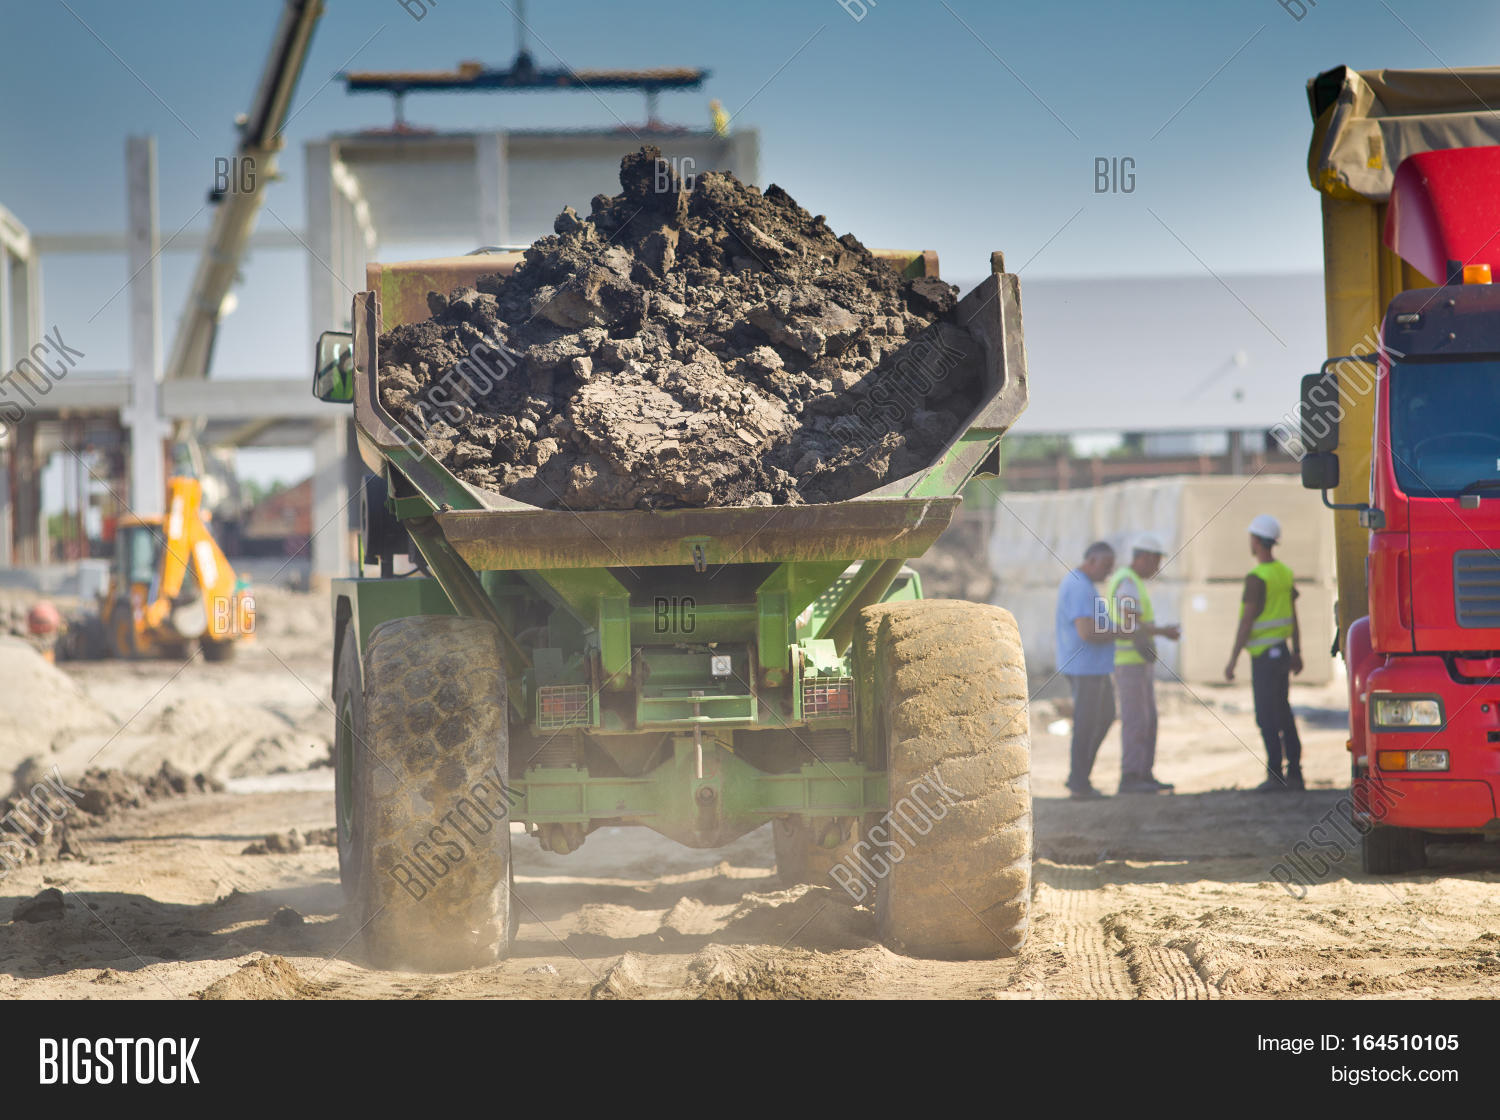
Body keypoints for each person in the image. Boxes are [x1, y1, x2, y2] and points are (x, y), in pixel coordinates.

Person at [1224, 514, 1305, 792]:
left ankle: (1275, 774)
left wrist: (1233, 659)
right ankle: (1294, 772)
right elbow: (1294, 617)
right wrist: (1297, 651)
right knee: (1283, 710)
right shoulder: (1284, 572)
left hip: (1264, 659)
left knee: (1267, 715)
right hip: (1281, 653)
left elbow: (1246, 622)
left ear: (1256, 541)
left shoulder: (1257, 577)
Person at [1107, 533, 1181, 794]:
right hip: (1129, 663)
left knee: (1147, 720)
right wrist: (1163, 632)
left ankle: (1144, 774)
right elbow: (1132, 625)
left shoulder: (1133, 582)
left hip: (1138, 661)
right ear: (1145, 558)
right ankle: (1131, 777)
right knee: (1136, 721)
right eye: (1156, 561)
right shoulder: (1127, 582)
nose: (1157, 568)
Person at [1055, 542, 1122, 800]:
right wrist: (1121, 632)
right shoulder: (1079, 585)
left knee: (1103, 717)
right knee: (1087, 723)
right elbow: (1087, 631)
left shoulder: (1084, 585)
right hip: (1084, 668)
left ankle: (1080, 778)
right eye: (1106, 566)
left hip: (1093, 667)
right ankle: (1079, 782)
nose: (1109, 572)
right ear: (1092, 560)